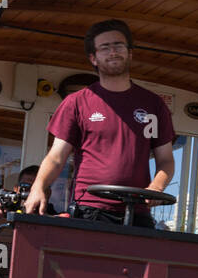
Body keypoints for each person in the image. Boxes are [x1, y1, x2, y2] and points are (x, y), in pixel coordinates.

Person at [25, 19, 176, 226]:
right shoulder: (77, 102)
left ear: (130, 53)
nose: (113, 52)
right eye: (105, 47)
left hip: (138, 212)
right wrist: (38, 187)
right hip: (90, 210)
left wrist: (156, 188)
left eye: (118, 45)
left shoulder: (153, 104)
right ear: (93, 58)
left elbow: (166, 159)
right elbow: (57, 157)